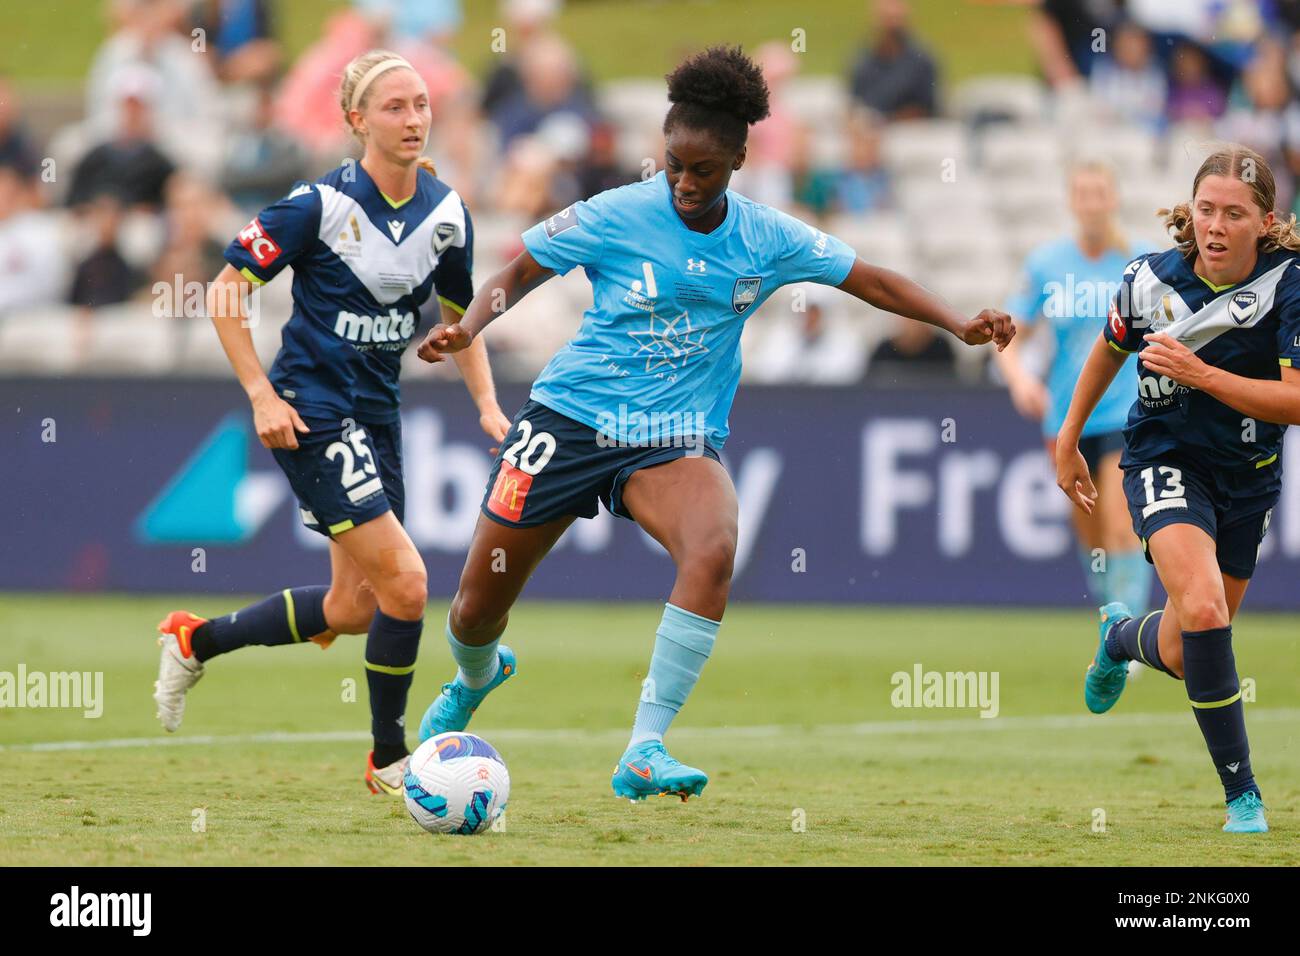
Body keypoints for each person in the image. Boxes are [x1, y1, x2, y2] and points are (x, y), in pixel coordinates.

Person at [412, 46, 1014, 802]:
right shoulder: (619, 212)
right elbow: (520, 270)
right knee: (474, 606)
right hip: (569, 419)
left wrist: (958, 323)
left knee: (715, 545)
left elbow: (875, 279)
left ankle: (644, 747)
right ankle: (476, 676)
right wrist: (468, 330)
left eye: (704, 170)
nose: (685, 184)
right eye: (673, 165)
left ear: (738, 156)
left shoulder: (767, 236)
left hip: (671, 438)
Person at [151, 51, 511, 796]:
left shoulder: (447, 213)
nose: (414, 119)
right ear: (357, 121)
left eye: (421, 104)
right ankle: (389, 758)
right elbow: (223, 295)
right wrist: (259, 394)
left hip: (379, 415)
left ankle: (196, 640)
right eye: (394, 107)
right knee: (408, 585)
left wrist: (484, 402)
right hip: (312, 410)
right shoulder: (315, 206)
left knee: (356, 606)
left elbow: (458, 320)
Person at [1056, 144, 1300, 834]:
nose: (1217, 225)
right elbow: (1109, 346)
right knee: (1204, 610)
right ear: (1189, 214)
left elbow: (1295, 398)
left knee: (1182, 645)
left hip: (1248, 481)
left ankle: (1120, 638)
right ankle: (1243, 797)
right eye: (1205, 209)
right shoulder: (1149, 280)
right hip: (1165, 460)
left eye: (1234, 213)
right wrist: (1068, 434)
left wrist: (1204, 375)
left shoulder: (1291, 285)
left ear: (1265, 221)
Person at [997, 162, 1153, 613]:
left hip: (1127, 413)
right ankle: (1112, 620)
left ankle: (1129, 632)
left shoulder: (1140, 262)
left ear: (1114, 200)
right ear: (1071, 201)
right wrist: (1021, 381)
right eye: (1082, 194)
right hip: (1069, 418)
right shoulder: (1046, 264)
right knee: (1091, 534)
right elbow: (1008, 339)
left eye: (1099, 193)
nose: (1091, 203)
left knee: (1122, 525)